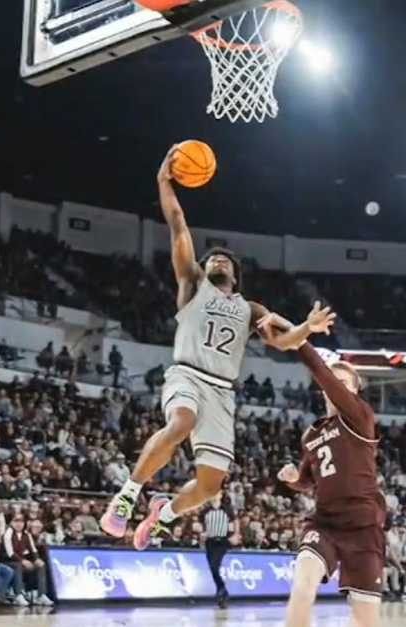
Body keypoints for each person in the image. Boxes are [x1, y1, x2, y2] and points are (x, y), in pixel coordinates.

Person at [101, 144, 320, 548]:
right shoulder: (191, 284)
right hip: (186, 373)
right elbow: (179, 224)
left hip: (221, 391)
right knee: (180, 423)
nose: (218, 260)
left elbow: (284, 341)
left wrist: (307, 326)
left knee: (209, 486)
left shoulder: (251, 309)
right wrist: (163, 181)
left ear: (236, 275)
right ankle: (126, 496)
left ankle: (163, 514)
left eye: (225, 260)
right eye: (213, 258)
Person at [275, 332, 384, 627]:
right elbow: (310, 480)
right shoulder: (311, 434)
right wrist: (294, 479)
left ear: (354, 391)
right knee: (302, 586)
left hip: (364, 526)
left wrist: (301, 344)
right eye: (332, 381)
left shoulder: (359, 416)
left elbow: (322, 373)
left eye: (343, 382)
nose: (335, 385)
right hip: (324, 523)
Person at [202, 493, 235, 608]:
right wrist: (202, 533)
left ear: (220, 495)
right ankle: (222, 591)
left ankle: (221, 590)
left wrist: (232, 536)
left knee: (215, 566)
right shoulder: (205, 511)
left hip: (222, 542)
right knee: (212, 568)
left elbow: (231, 526)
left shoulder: (227, 509)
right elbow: (202, 526)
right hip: (210, 542)